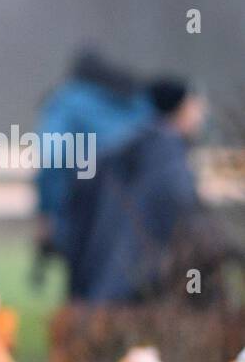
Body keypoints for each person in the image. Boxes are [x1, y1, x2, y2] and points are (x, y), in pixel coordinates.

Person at [69, 78, 208, 302]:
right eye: (196, 108)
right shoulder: (169, 163)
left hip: (107, 287)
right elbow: (188, 230)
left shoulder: (127, 150)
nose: (202, 117)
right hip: (148, 292)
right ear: (180, 110)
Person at [33, 48, 152, 288]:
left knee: (85, 291)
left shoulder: (67, 101)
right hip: (141, 210)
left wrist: (48, 211)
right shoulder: (140, 101)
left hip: (85, 210)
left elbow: (53, 158)